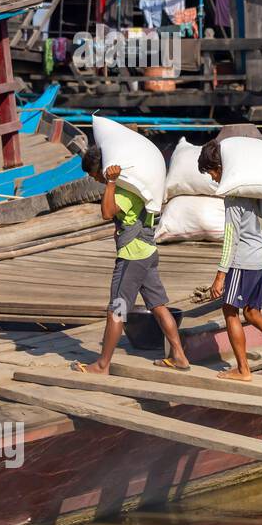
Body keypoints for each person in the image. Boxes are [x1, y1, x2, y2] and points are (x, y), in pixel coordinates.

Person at [74, 146, 189, 374]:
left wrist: (110, 182)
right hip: (148, 252)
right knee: (158, 306)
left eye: (94, 174)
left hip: (131, 257)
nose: (94, 178)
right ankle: (179, 356)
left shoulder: (124, 191)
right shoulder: (138, 185)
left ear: (102, 169)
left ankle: (102, 364)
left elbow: (107, 213)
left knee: (116, 309)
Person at [197, 140, 262, 383]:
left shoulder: (235, 195)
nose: (213, 178)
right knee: (253, 313)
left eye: (212, 171)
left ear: (221, 166)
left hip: (243, 261)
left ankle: (244, 370)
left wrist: (220, 275)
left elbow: (231, 238)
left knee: (230, 311)